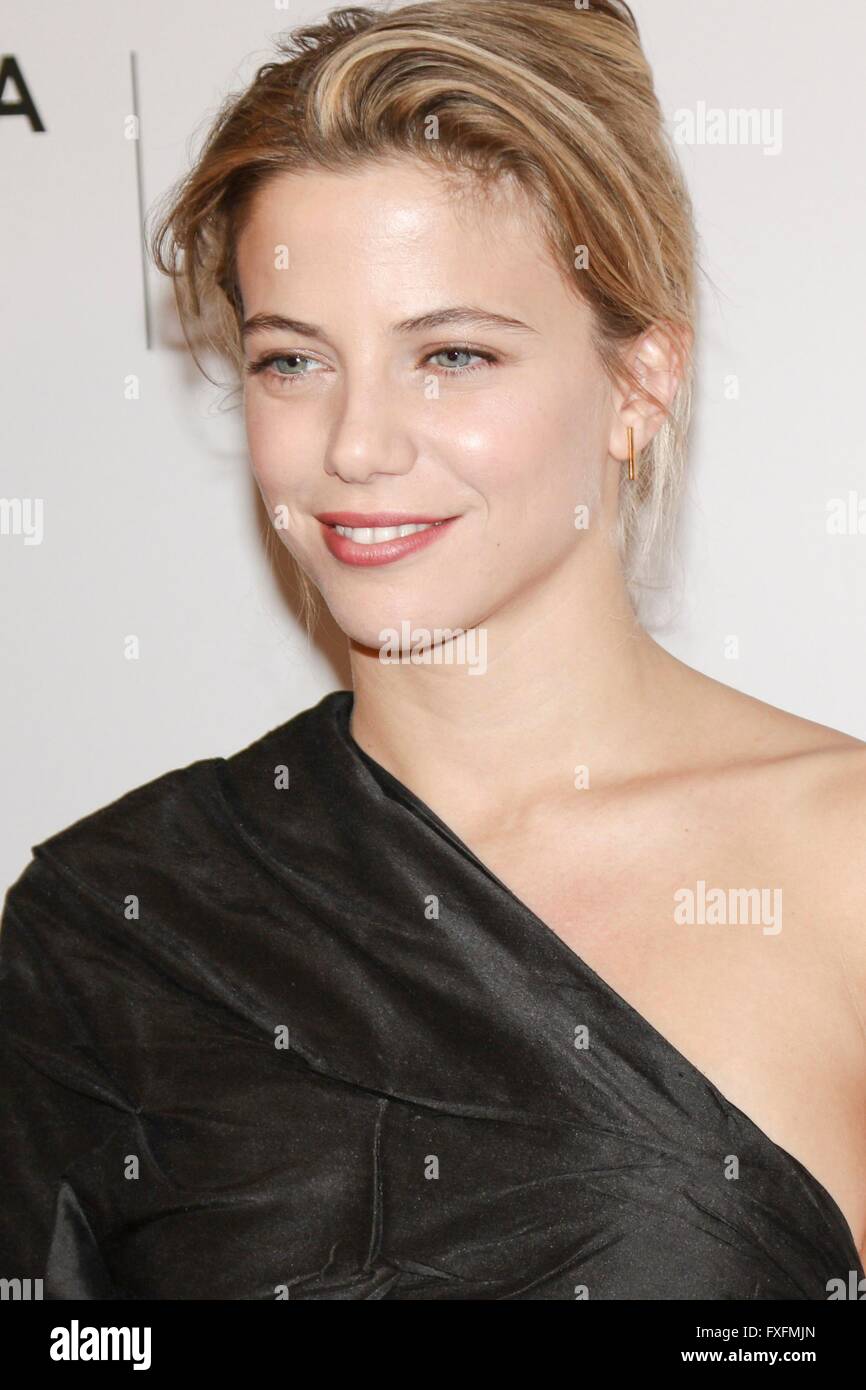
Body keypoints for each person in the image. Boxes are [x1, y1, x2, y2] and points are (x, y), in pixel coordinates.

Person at [1, 0, 864, 1300]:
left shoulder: (842, 866)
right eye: (292, 361)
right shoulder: (116, 924)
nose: (355, 445)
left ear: (639, 382)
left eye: (450, 354)